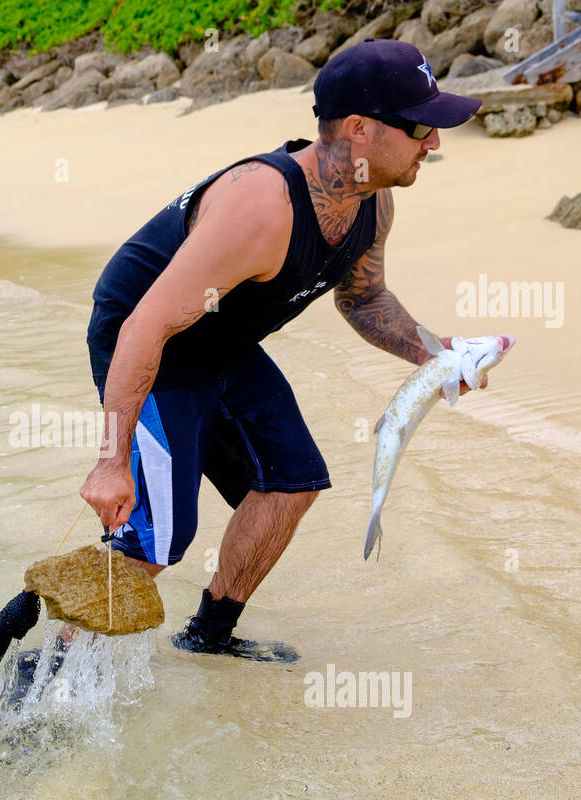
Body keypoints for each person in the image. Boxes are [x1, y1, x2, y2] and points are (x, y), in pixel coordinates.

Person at [67, 38, 489, 662]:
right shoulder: (260, 208)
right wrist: (110, 460)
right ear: (360, 130)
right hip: (150, 335)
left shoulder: (374, 201)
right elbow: (143, 329)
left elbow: (364, 298)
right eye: (422, 126)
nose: (434, 142)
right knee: (158, 537)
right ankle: (47, 675)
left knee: (292, 479)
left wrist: (434, 353)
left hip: (223, 338)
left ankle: (208, 636)